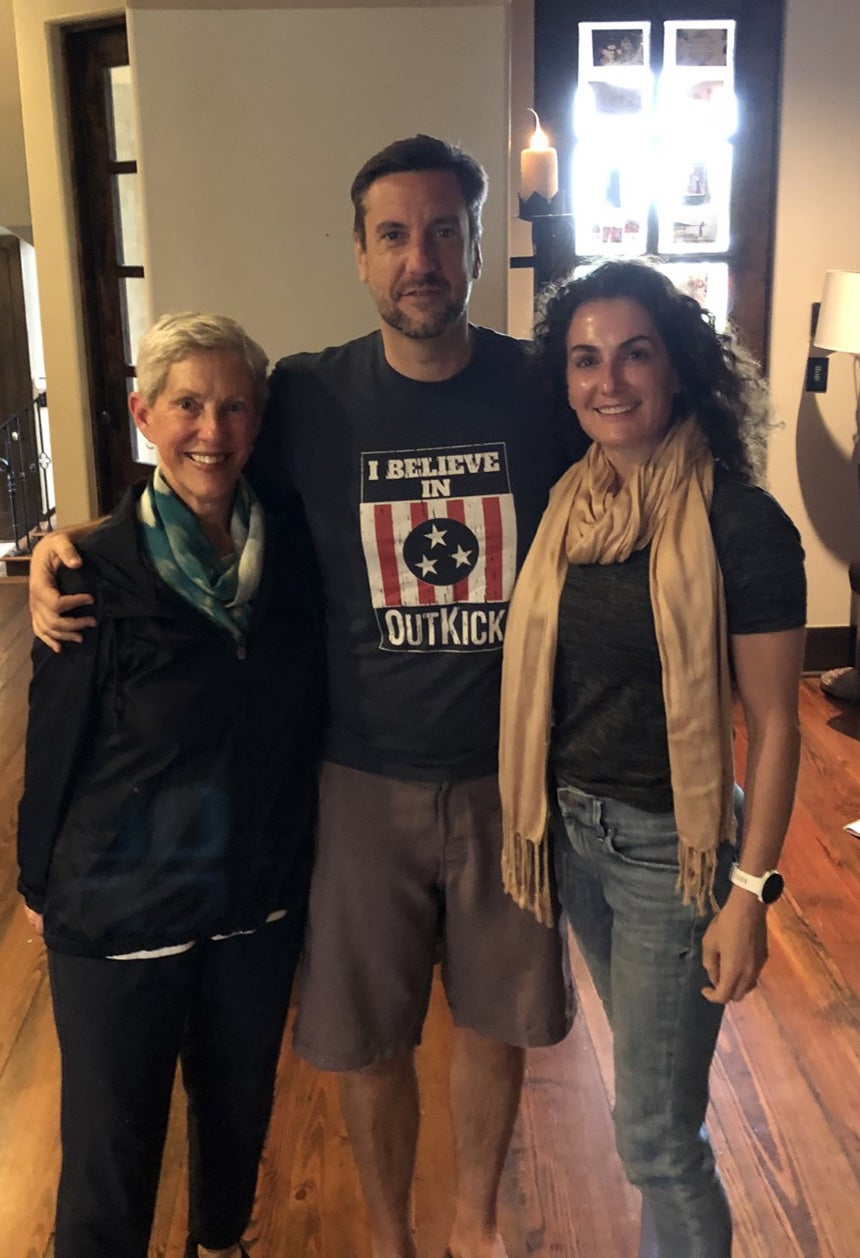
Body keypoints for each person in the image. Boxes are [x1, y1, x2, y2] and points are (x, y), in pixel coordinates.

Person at [28, 135, 578, 1258]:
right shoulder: (306, 400)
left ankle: (475, 1231)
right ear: (360, 255)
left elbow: (640, 453)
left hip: (503, 773)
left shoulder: (540, 386)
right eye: (392, 234)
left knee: (495, 1019)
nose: (417, 256)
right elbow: (194, 471)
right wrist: (62, 540)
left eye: (440, 231)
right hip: (357, 776)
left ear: (476, 244)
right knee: (368, 1035)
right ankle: (388, 1238)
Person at [499, 259, 806, 1258]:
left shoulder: (738, 524)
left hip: (667, 852)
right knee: (649, 1091)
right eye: (585, 359)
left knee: (654, 1134)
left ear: (677, 370)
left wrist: (748, 892)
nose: (609, 380)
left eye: (634, 353)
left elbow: (773, 718)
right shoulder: (563, 509)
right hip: (573, 837)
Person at [18, 313, 324, 1258]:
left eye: (234, 406)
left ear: (258, 419)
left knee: (237, 1122)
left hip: (252, 901)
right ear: (144, 413)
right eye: (187, 404)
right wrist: (38, 884)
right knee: (111, 1161)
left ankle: (221, 1244)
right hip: (119, 911)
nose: (212, 429)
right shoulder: (89, 571)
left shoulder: (297, 554)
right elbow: (54, 741)